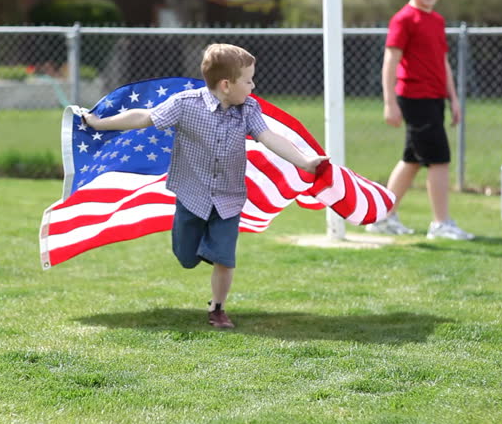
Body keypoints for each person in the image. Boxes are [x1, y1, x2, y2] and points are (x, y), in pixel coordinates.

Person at [83, 44, 329, 328]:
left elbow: (269, 137)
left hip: (228, 198)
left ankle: (218, 308)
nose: (253, 85)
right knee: (186, 257)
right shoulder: (185, 104)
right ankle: (204, 251)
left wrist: (305, 161)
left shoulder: (248, 109)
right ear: (226, 84)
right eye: (248, 80)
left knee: (225, 258)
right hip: (191, 194)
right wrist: (101, 124)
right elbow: (145, 117)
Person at [366, 0, 474, 240]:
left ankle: (384, 218)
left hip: (435, 98)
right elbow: (390, 62)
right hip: (415, 98)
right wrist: (390, 103)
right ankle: (441, 224)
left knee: (412, 160)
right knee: (439, 160)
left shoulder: (436, 21)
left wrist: (454, 99)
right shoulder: (403, 19)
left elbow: (444, 63)